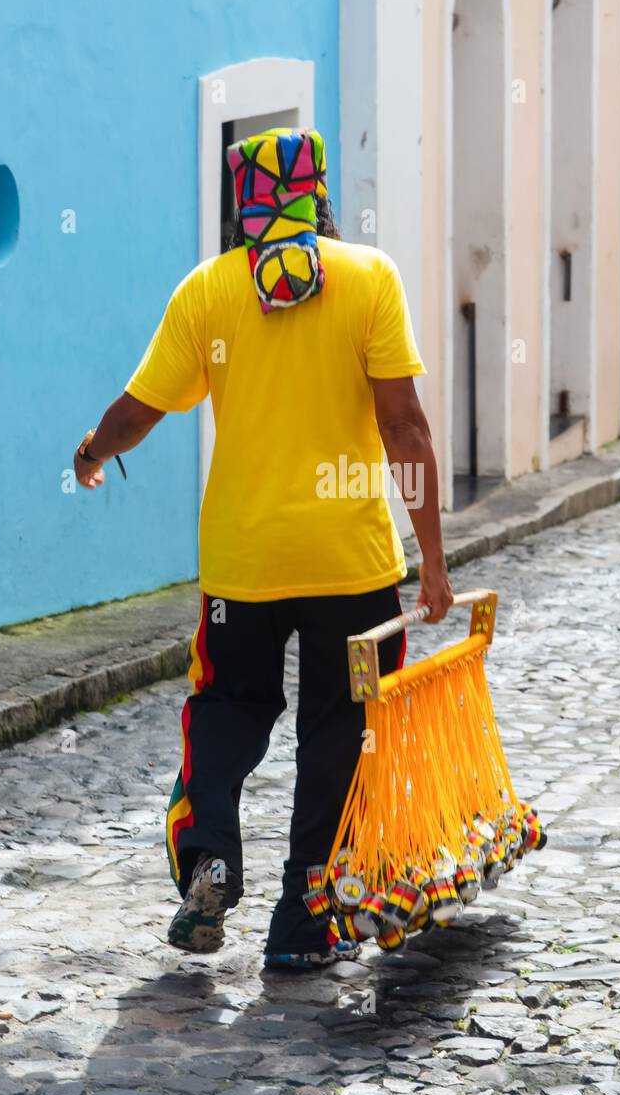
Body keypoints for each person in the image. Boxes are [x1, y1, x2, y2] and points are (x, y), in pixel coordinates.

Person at [71, 127, 454, 968]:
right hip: (351, 567)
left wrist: (93, 454)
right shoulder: (369, 276)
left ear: (243, 202)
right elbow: (405, 429)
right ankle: (303, 923)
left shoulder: (209, 290)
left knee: (224, 709)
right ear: (317, 194)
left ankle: (210, 852)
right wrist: (431, 555)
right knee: (339, 727)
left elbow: (142, 408)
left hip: (243, 566)